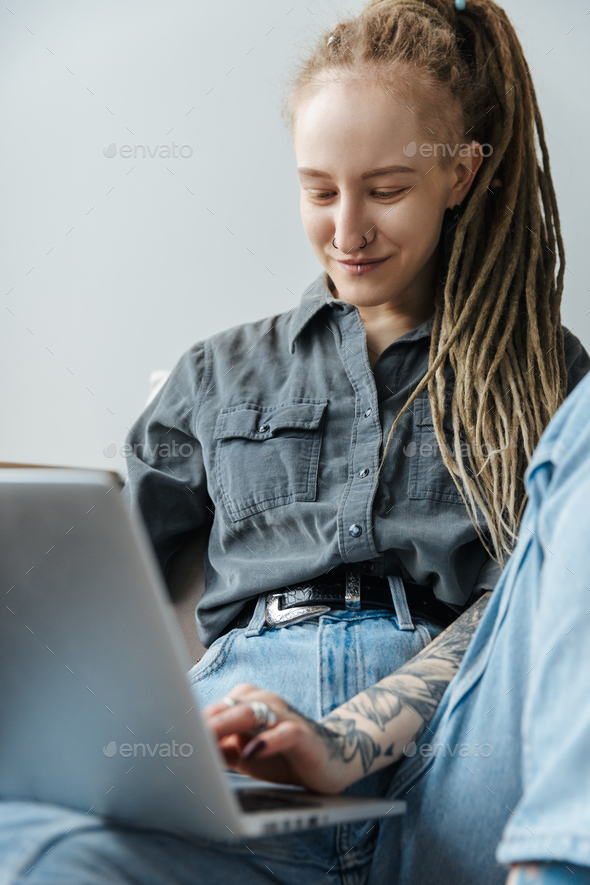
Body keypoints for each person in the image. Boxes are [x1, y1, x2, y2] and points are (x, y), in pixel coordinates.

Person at [1, 0, 590, 882]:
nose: (346, 232)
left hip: (446, 781)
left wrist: (350, 739)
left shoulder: (546, 374)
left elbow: (538, 618)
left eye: (387, 190)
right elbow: (94, 608)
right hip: (235, 788)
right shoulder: (215, 373)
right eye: (320, 190)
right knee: (24, 839)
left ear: (461, 175)